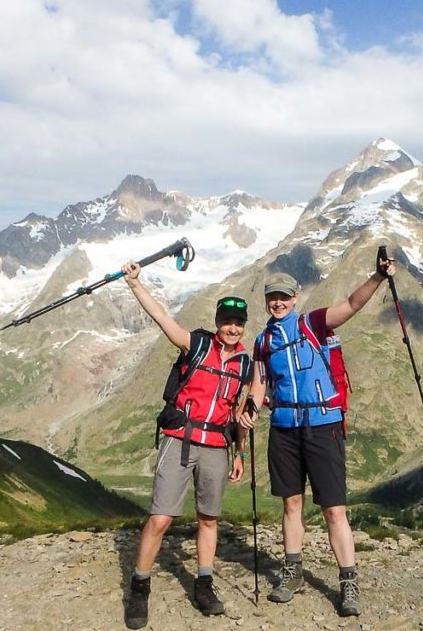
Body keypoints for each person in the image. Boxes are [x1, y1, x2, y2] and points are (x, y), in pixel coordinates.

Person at [239, 255, 395, 617]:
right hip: (283, 428)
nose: (277, 302)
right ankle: (292, 571)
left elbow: (352, 305)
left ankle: (348, 581)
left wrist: (378, 276)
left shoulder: (312, 323)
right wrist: (250, 405)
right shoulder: (263, 341)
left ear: (295, 298)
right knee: (291, 504)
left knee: (333, 509)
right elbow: (261, 382)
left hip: (322, 425)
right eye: (272, 297)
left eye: (283, 297)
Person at [122, 260, 252, 629]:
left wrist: (239, 452)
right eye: (226, 320)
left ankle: (204, 584)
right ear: (217, 322)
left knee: (208, 519)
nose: (231, 327)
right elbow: (163, 319)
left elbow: (239, 412)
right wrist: (135, 285)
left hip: (216, 446)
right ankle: (140, 586)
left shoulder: (245, 363)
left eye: (237, 323)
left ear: (243, 326)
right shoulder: (195, 345)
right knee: (161, 518)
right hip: (180, 440)